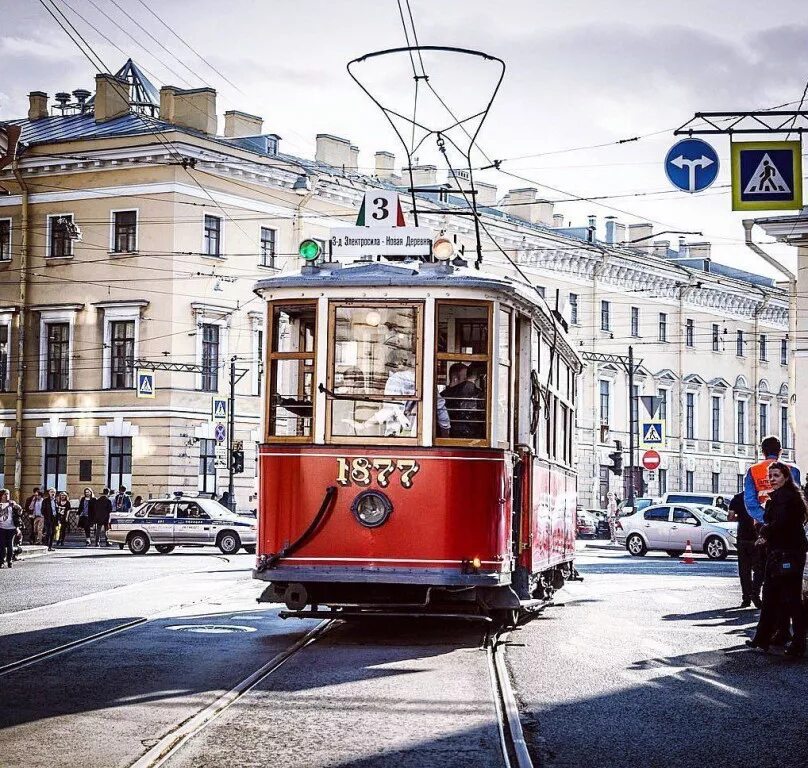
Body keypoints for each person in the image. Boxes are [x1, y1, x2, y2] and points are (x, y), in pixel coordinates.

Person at [746, 462, 808, 657]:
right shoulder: (779, 497)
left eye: (776, 475)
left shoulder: (788, 498)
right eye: (770, 475)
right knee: (773, 594)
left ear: (786, 477)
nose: (772, 479)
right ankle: (764, 637)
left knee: (792, 599)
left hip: (788, 553)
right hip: (779, 551)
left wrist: (764, 532)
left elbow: (781, 523)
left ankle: (797, 642)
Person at [744, 435, 801, 524]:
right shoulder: (792, 469)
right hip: (788, 522)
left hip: (763, 524)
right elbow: (797, 498)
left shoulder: (753, 470)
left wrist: (766, 518)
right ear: (780, 451)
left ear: (762, 452)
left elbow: (750, 501)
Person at [728, 491, 762, 608]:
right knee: (759, 568)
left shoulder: (737, 498)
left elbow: (730, 517)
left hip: (742, 537)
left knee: (744, 570)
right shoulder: (761, 496)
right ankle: (755, 592)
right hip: (758, 537)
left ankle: (746, 598)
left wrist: (741, 516)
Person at [441, 362, 486, 439]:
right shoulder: (444, 398)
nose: (467, 384)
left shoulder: (442, 396)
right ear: (455, 378)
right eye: (465, 379)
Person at [0, 489, 22, 568]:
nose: (7, 496)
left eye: (8, 494)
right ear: (1, 495)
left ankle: (9, 561)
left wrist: (18, 507)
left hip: (11, 527)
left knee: (10, 545)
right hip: (1, 527)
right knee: (1, 545)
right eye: (5, 494)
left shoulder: (12, 503)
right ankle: (1, 561)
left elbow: (19, 514)